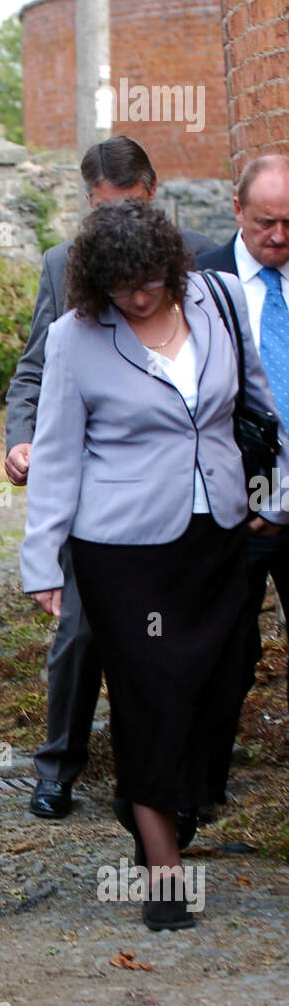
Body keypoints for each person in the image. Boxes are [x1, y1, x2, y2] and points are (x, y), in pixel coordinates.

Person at [19, 200, 289, 930]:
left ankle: (160, 793)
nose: (136, 299)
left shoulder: (221, 300)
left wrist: (277, 491)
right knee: (149, 691)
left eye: (147, 283)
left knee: (222, 676)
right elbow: (57, 452)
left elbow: (257, 406)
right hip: (123, 549)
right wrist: (42, 559)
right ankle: (162, 862)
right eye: (119, 288)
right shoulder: (76, 338)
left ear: (172, 266)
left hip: (219, 529)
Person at [5, 136, 215, 825]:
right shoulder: (67, 266)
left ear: (152, 191)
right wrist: (23, 436)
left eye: (126, 206)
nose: (114, 225)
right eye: (101, 211)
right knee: (82, 631)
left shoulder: (204, 266)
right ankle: (58, 766)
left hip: (194, 503)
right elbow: (39, 365)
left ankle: (179, 779)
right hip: (102, 503)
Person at [198, 155, 289, 711]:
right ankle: (201, 781)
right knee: (226, 646)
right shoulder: (200, 282)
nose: (278, 236)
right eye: (264, 222)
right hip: (239, 501)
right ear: (236, 210)